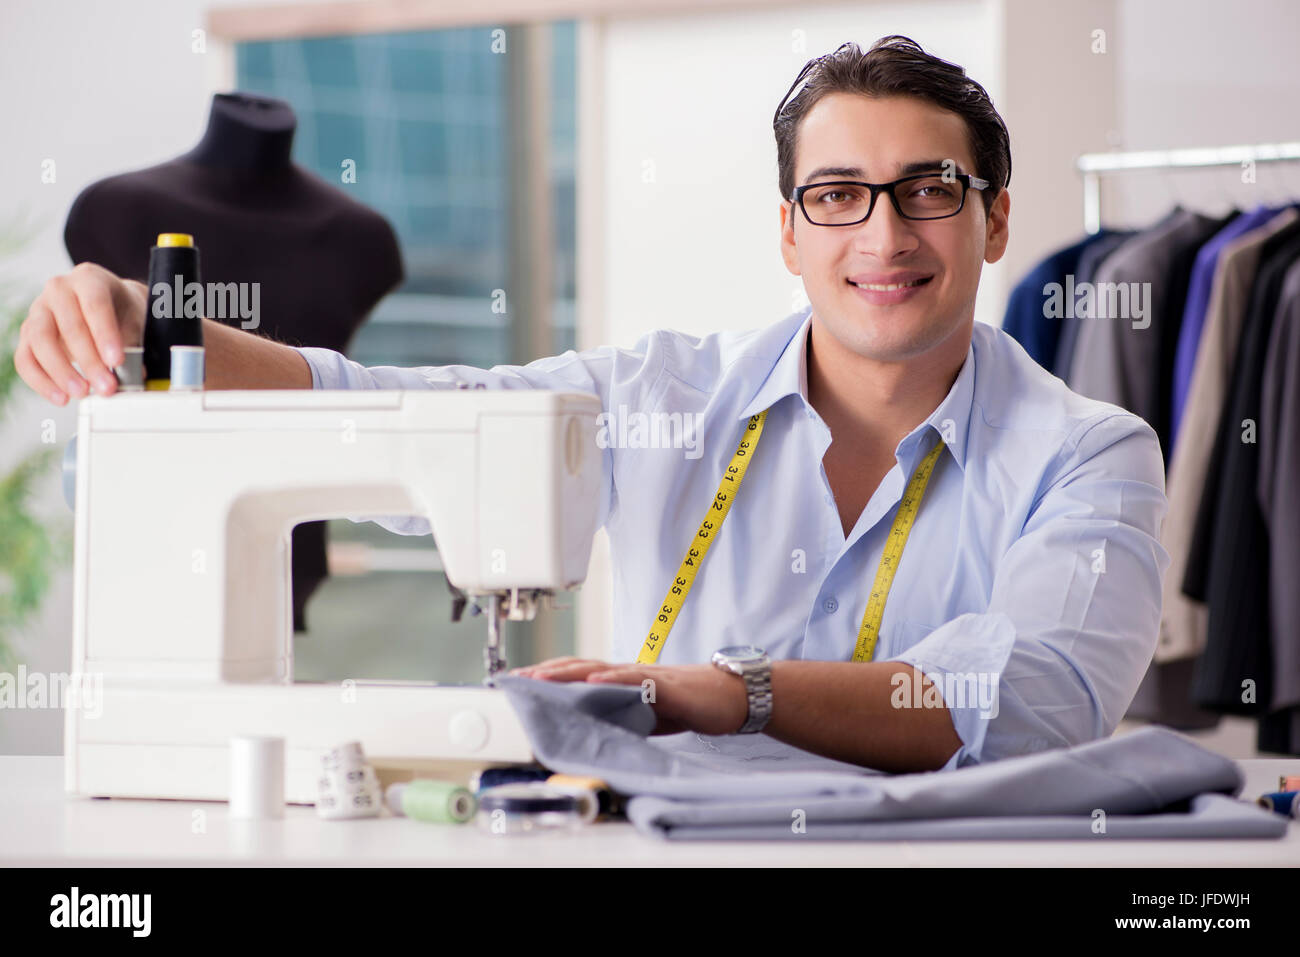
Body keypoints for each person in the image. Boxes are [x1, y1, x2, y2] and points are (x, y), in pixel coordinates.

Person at [14, 37, 1169, 774]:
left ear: (995, 220)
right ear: (787, 230)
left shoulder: (1088, 454)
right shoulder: (655, 397)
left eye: (928, 190)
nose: (881, 234)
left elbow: (1035, 697)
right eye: (835, 195)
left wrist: (717, 692)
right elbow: (390, 405)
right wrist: (151, 324)